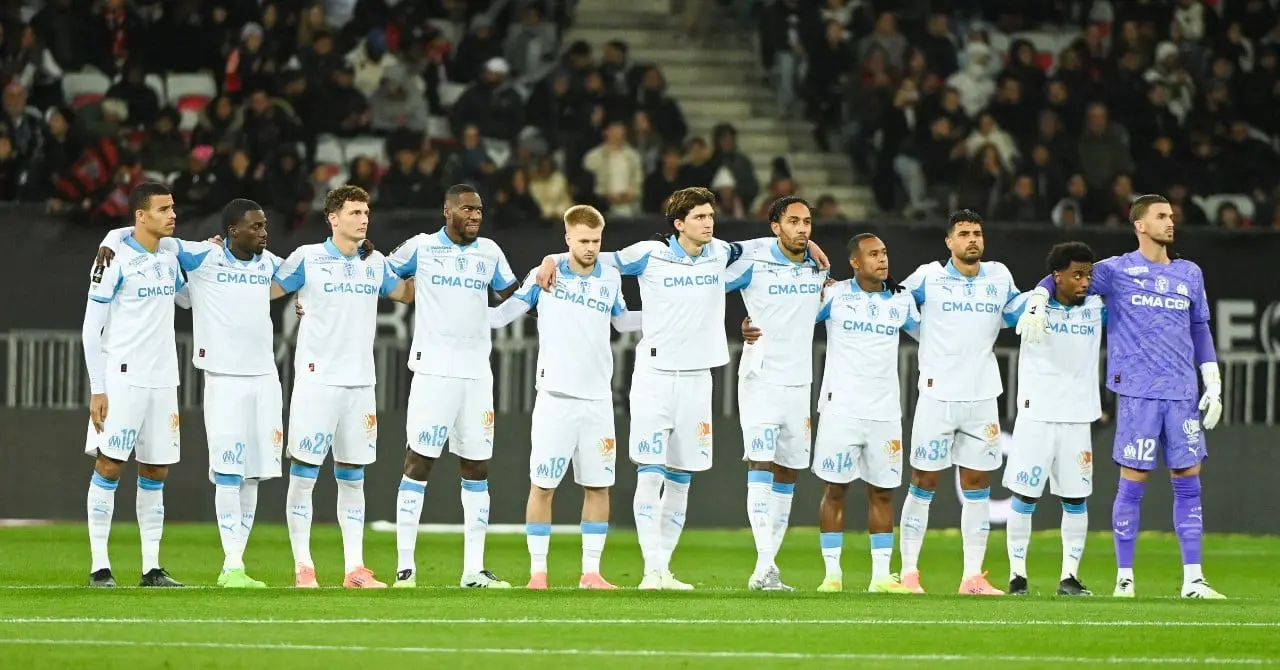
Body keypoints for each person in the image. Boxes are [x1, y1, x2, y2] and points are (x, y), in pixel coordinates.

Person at [533, 187, 829, 590]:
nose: (708, 223)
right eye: (699, 217)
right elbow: (596, 257)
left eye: (711, 216)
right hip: (654, 377)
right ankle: (650, 570)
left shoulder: (722, 252)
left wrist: (809, 244)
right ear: (679, 224)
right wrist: (551, 259)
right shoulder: (648, 254)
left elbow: (766, 244)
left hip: (697, 379)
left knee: (681, 479)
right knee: (650, 474)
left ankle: (665, 570)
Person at [1017, 194, 1225, 599]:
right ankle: (1124, 579)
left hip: (1182, 393)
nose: (1170, 222)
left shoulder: (1190, 273)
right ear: (1139, 225)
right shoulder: (1116, 271)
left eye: (1171, 215)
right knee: (1132, 482)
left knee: (1188, 480)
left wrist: (1212, 380)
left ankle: (1193, 579)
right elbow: (1062, 276)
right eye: (1161, 216)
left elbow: (1199, 328)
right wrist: (1039, 298)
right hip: (1137, 393)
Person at [92, 199, 293, 587]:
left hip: (266, 379)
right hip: (221, 378)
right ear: (232, 231)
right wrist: (110, 240)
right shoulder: (203, 256)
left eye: (265, 225)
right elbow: (149, 237)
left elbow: (305, 274)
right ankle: (230, 564)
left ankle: (235, 564)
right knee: (228, 471)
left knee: (253, 474)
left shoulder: (269, 263)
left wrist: (305, 296)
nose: (264, 232)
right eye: (255, 226)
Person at [487, 205, 642, 590]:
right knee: (543, 485)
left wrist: (670, 316)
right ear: (568, 238)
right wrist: (455, 310)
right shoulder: (545, 275)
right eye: (583, 240)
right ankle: (538, 573)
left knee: (599, 485)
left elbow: (623, 321)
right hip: (555, 397)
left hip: (598, 400)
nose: (590, 248)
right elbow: (503, 315)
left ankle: (591, 572)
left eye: (596, 241)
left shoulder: (609, 277)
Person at [276, 185, 413, 589]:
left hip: (360, 384)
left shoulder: (375, 262)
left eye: (366, 212)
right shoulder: (307, 258)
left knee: (353, 475)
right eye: (354, 212)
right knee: (304, 474)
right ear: (333, 218)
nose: (363, 219)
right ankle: (304, 567)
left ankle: (355, 568)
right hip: (317, 381)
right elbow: (264, 288)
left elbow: (406, 293)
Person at [386, 184, 520, 589]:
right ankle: (405, 568)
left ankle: (473, 570)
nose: (475, 215)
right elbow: (380, 274)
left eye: (479, 209)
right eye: (466, 209)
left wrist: (547, 293)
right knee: (418, 461)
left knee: (477, 466)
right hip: (433, 372)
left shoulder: (490, 252)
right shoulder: (421, 247)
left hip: (477, 374)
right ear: (447, 210)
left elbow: (513, 296)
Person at [897, 209, 1025, 595]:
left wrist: (1041, 297)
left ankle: (972, 577)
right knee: (923, 481)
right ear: (949, 241)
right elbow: (896, 305)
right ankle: (908, 573)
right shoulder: (928, 276)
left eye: (977, 233)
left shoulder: (999, 276)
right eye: (965, 233)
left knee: (977, 485)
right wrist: (926, 336)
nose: (973, 239)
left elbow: (1016, 312)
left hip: (982, 396)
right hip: (936, 395)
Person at [82, 182, 185, 588]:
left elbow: (190, 299)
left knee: (156, 469)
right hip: (122, 377)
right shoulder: (113, 258)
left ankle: (151, 568)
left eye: (173, 207)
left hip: (164, 379)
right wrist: (98, 387)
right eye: (163, 209)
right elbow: (91, 330)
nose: (172, 215)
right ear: (141, 216)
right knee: (110, 464)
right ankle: (100, 566)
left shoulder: (170, 257)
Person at [724, 196, 827, 591]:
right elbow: (709, 286)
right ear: (775, 226)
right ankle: (766, 566)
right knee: (761, 464)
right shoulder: (753, 262)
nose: (802, 228)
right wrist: (741, 326)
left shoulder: (818, 268)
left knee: (787, 471)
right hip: (761, 379)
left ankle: (764, 568)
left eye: (807, 222)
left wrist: (813, 250)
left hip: (800, 383)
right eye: (794, 221)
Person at [811, 233, 917, 593]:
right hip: (840, 409)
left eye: (884, 253)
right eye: (873, 254)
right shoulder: (834, 295)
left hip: (885, 412)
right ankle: (832, 575)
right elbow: (793, 321)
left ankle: (881, 577)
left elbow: (932, 336)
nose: (882, 259)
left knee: (883, 493)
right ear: (855, 262)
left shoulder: (902, 300)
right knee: (835, 489)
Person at [1004, 242, 1103, 597]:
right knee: (1024, 496)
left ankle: (1069, 577)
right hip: (1037, 416)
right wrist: (1039, 295)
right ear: (1057, 276)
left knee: (1076, 500)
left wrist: (1043, 291)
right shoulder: (1030, 306)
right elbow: (1004, 315)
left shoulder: (1097, 307)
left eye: (1088, 275)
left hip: (1077, 419)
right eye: (1076, 275)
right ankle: (1017, 575)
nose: (1084, 282)